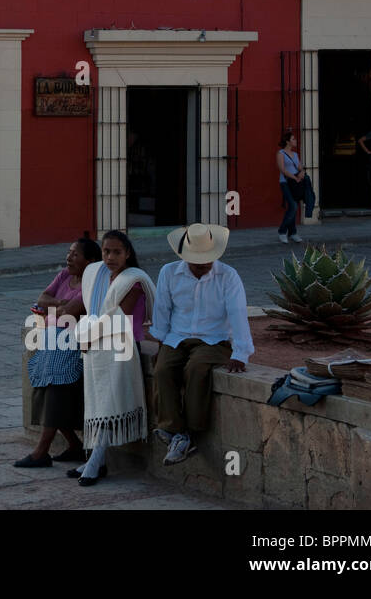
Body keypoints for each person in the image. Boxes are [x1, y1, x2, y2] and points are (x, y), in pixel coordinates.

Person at [151, 223, 255, 466]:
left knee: (196, 369)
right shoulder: (168, 272)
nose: (202, 265)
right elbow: (162, 310)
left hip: (214, 339)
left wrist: (241, 352)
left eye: (207, 260)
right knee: (163, 369)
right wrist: (161, 342)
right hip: (177, 336)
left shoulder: (228, 276)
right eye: (196, 261)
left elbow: (238, 313)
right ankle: (175, 431)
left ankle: (190, 430)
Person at [65, 230, 155, 487]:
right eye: (106, 251)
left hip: (121, 347)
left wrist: (88, 337)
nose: (111, 257)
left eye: (117, 252)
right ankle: (96, 459)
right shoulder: (99, 276)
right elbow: (93, 310)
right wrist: (88, 338)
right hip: (97, 344)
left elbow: (118, 319)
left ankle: (96, 460)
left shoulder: (133, 280)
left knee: (107, 403)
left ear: (128, 253)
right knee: (95, 399)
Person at [14, 237, 100, 468]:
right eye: (69, 253)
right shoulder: (64, 276)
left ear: (90, 261)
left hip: (72, 343)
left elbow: (69, 312)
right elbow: (42, 298)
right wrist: (60, 303)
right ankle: (73, 445)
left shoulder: (92, 283)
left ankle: (41, 452)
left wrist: (56, 307)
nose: (69, 258)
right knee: (43, 385)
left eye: (75, 254)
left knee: (56, 390)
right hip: (52, 340)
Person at [276, 130, 309, 243]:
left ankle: (293, 233)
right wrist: (294, 177)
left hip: (296, 183)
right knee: (293, 206)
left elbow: (300, 167)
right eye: (293, 139)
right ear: (287, 141)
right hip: (286, 182)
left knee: (293, 208)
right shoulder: (280, 153)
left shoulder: (295, 154)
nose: (295, 140)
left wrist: (301, 173)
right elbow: (282, 169)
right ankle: (282, 231)